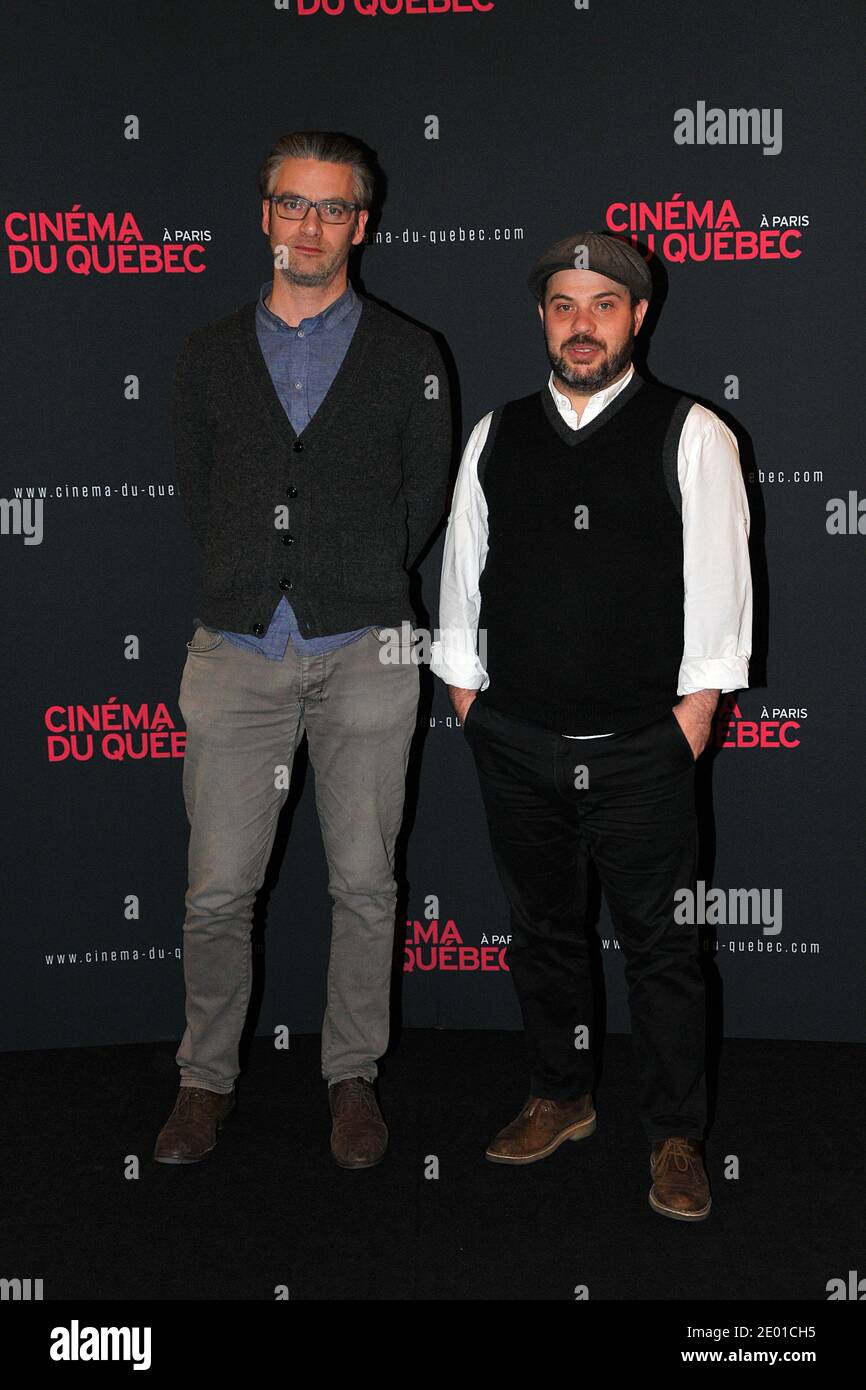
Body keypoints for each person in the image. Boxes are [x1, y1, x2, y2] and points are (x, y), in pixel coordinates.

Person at [430, 231, 752, 1220]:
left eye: (602, 305)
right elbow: (461, 571)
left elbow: (717, 587)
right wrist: (466, 695)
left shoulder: (690, 432)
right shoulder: (495, 433)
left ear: (636, 317)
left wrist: (690, 719)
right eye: (564, 305)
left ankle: (672, 1136)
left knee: (660, 949)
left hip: (640, 752)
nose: (581, 324)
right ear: (542, 316)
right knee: (542, 934)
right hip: (516, 741)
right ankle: (560, 1096)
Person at [156, 131, 452, 1170]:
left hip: (368, 647)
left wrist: (345, 575)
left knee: (366, 884)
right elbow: (203, 495)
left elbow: (422, 503)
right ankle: (204, 1079)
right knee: (216, 889)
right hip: (235, 649)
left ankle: (351, 1076)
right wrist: (263, 576)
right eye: (293, 204)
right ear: (264, 214)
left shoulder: (410, 356)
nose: (311, 225)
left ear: (361, 225)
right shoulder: (204, 354)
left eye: (333, 209)